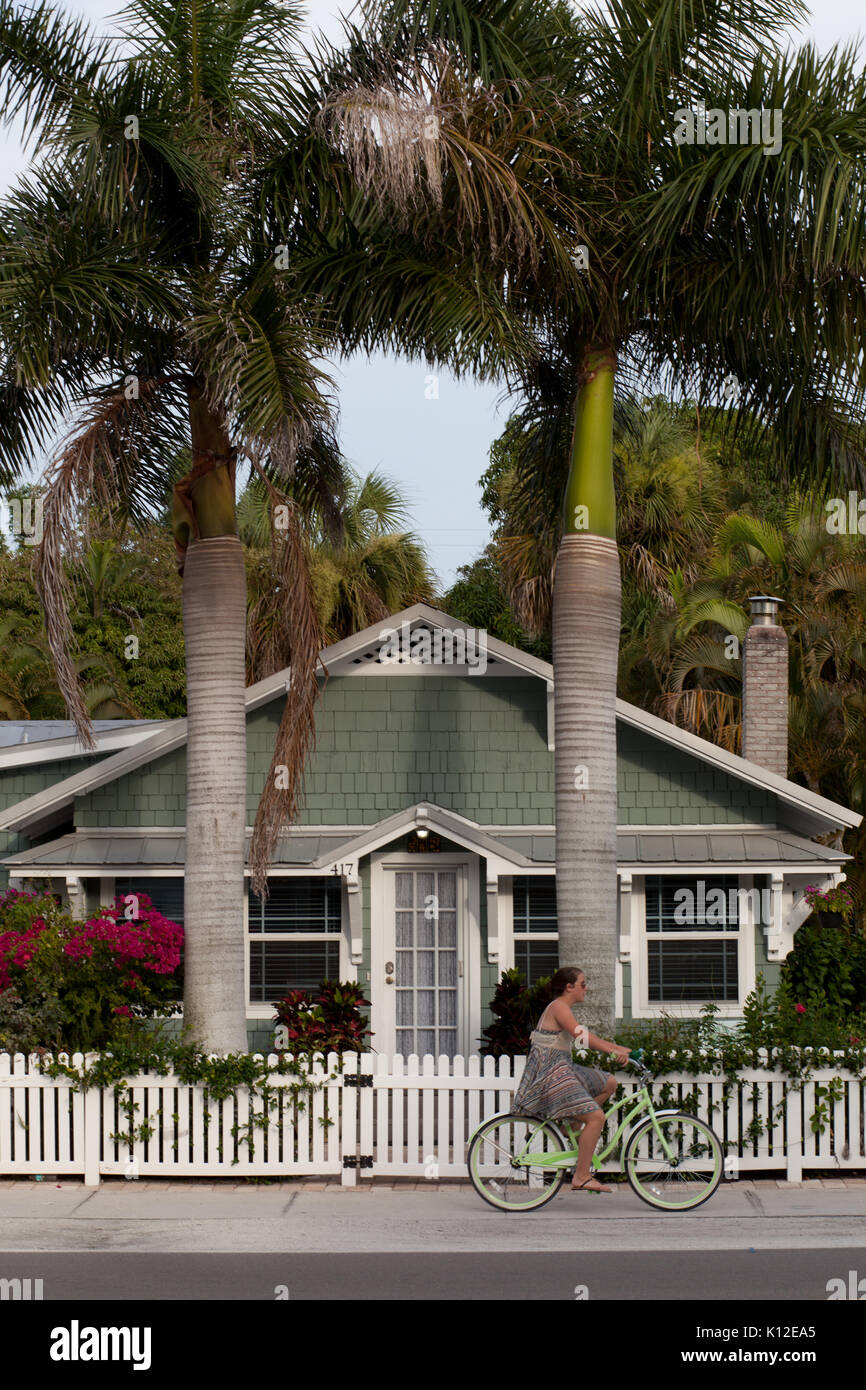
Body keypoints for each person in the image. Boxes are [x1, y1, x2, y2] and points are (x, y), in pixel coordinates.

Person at [511, 965, 631, 1193]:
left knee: (610, 1083)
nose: (586, 989)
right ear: (569, 987)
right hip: (551, 1074)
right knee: (596, 1118)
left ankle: (573, 1124)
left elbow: (583, 1040)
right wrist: (613, 1052)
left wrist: (620, 1049)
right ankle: (582, 1176)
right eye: (583, 984)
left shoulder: (562, 1008)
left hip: (563, 1068)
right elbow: (580, 1035)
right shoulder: (559, 1007)